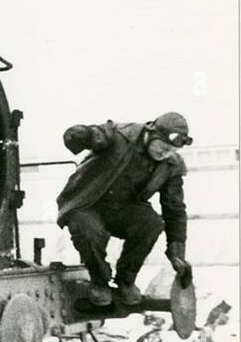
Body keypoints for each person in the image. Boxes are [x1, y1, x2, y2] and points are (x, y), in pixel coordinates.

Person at [55, 112, 192, 307]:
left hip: (122, 209)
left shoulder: (171, 165)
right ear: (151, 134)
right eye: (162, 147)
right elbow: (98, 133)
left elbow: (175, 210)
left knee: (151, 224)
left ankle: (126, 281)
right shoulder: (121, 135)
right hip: (87, 203)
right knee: (89, 230)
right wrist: (83, 135)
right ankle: (99, 282)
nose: (164, 154)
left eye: (170, 151)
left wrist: (178, 254)